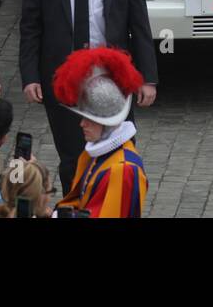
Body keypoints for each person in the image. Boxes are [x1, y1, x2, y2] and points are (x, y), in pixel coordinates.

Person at [19, 0, 157, 191]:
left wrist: (147, 78)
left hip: (112, 77)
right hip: (64, 78)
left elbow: (138, 20)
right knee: (72, 158)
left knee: (118, 152)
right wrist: (30, 76)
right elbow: (31, 25)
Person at [51, 46, 150, 217]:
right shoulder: (97, 155)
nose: (81, 124)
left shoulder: (123, 169)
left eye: (89, 119)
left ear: (106, 123)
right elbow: (79, 201)